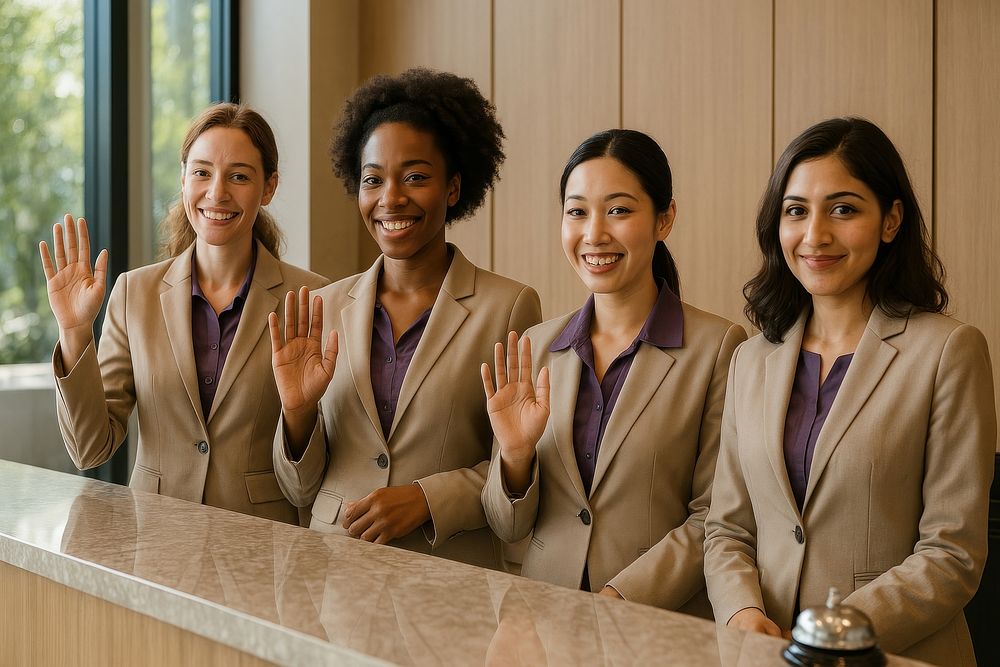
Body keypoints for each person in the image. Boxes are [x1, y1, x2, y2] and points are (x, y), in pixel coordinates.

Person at [703, 117, 995, 666]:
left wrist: (827, 639)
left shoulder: (949, 351)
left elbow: (951, 553)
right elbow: (727, 528)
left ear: (890, 220)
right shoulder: (751, 360)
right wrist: (742, 614)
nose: (815, 235)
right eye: (796, 211)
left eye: (843, 209)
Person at [270, 68, 541, 569]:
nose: (390, 198)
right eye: (373, 180)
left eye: (415, 177)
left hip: (447, 578)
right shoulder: (324, 307)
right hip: (331, 578)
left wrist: (427, 497)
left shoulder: (508, 307)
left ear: (454, 187)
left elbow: (518, 467)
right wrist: (296, 412)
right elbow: (298, 488)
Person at [479, 129, 745, 613]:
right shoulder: (536, 347)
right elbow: (506, 526)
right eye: (577, 211)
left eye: (619, 210)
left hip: (653, 621)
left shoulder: (719, 349)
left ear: (664, 219)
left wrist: (619, 597)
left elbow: (714, 516)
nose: (594, 233)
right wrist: (516, 458)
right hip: (542, 615)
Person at [42, 102, 328, 524]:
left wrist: (299, 414)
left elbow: (307, 484)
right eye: (202, 172)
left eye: (239, 176)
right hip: (157, 544)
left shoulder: (311, 299)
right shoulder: (133, 294)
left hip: (261, 550)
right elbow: (90, 449)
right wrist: (73, 330)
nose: (217, 193)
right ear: (183, 179)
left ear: (268, 188)